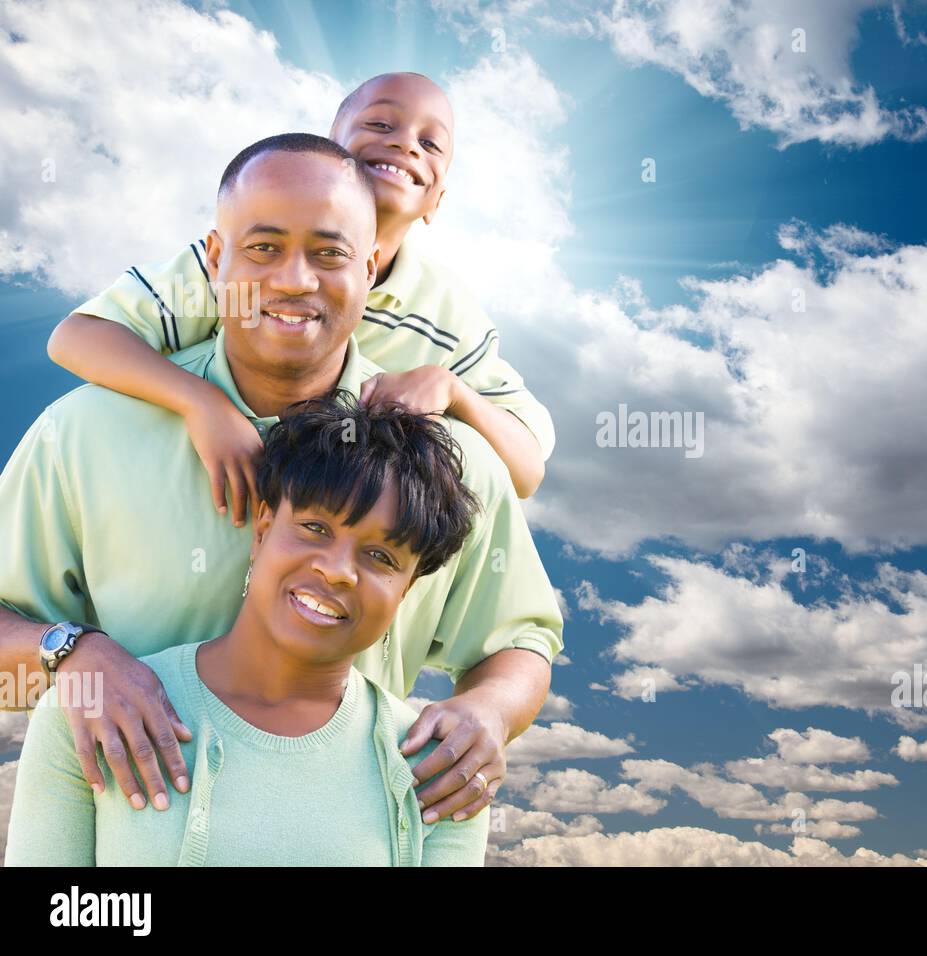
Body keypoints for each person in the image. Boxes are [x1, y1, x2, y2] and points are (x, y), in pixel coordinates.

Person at [0, 133, 562, 832]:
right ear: (215, 257)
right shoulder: (81, 435)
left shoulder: (448, 463)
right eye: (263, 248)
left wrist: (489, 712)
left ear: (372, 264)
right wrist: (70, 655)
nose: (295, 280)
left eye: (329, 254)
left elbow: (519, 639)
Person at [6, 397, 491, 866]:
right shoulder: (92, 714)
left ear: (404, 593)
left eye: (382, 557)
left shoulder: (443, 768)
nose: (339, 570)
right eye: (315, 528)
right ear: (261, 531)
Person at [46, 71, 552, 508]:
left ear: (438, 199)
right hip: (197, 489)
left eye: (431, 142)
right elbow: (77, 337)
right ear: (328, 148)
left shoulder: (448, 315)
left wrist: (453, 389)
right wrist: (201, 403)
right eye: (380, 124)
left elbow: (525, 472)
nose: (405, 144)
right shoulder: (242, 263)